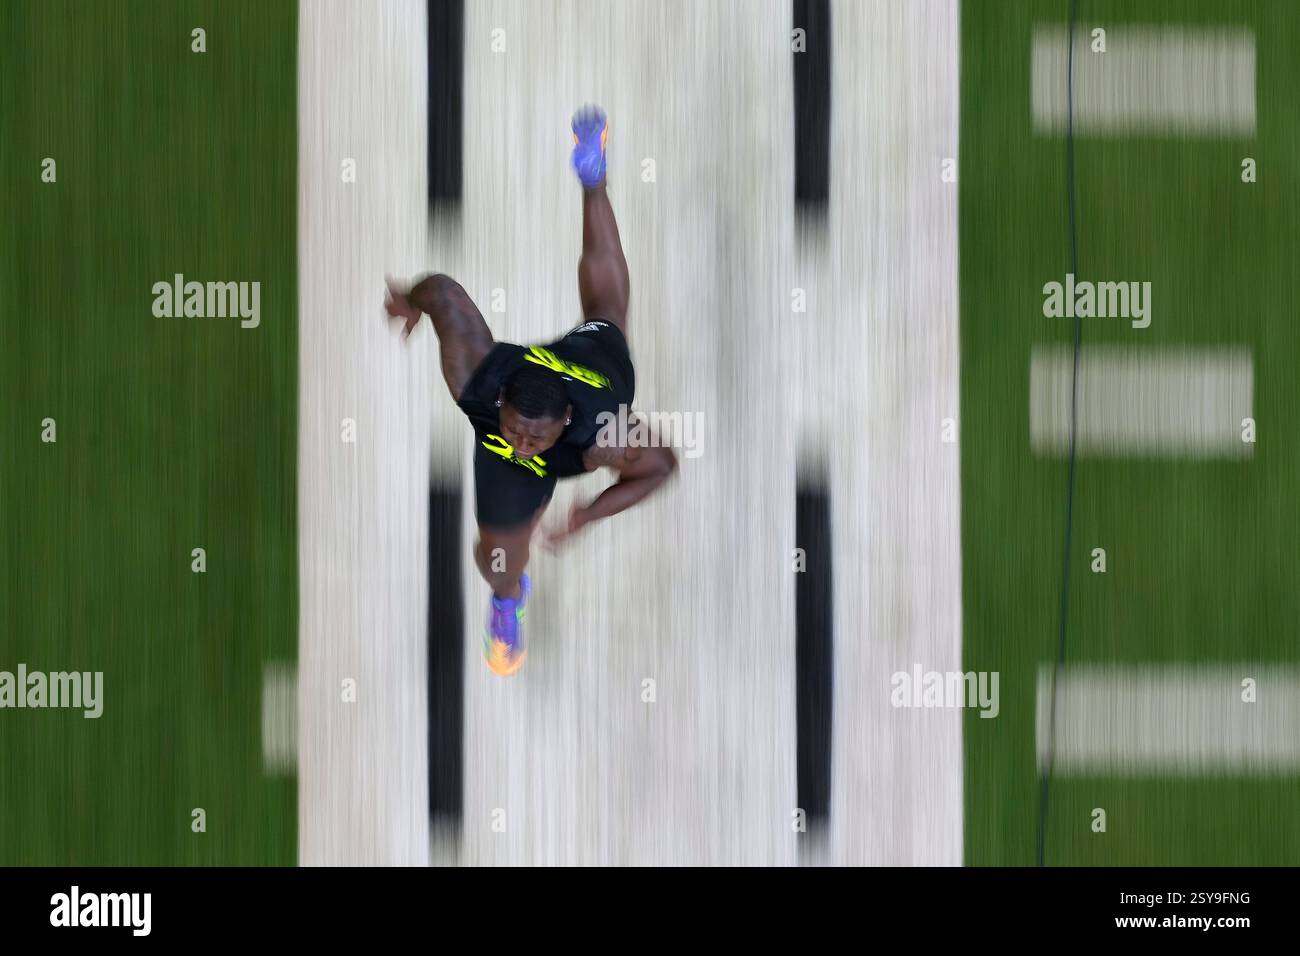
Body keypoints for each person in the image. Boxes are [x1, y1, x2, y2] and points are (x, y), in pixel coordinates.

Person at [385, 105, 677, 676]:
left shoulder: (606, 429)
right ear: (501, 404)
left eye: (532, 438)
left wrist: (589, 515)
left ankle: (594, 179)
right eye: (514, 429)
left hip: (594, 369)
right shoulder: (481, 380)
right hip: (556, 382)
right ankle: (507, 596)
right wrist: (409, 300)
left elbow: (661, 465)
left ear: (565, 423)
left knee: (607, 302)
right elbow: (444, 293)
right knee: (497, 557)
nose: (520, 443)